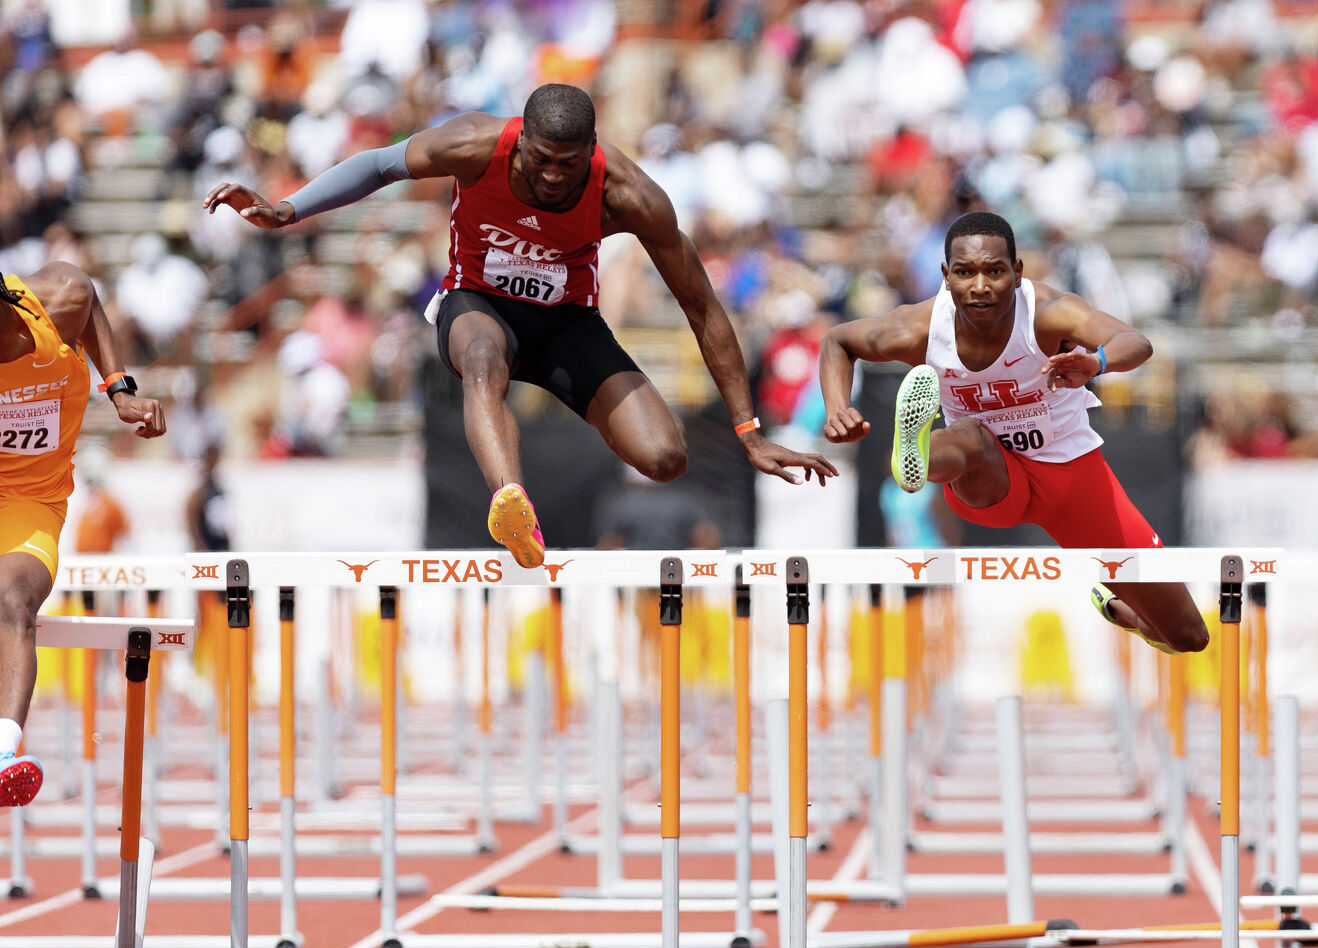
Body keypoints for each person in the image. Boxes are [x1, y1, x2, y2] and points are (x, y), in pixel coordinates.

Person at [201, 83, 833, 569]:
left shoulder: (631, 195)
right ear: (521, 140)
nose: (554, 176)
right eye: (541, 160)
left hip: (565, 325)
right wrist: (290, 208)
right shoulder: (475, 145)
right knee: (482, 360)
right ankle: (512, 504)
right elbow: (381, 164)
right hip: (479, 307)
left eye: (570, 164)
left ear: (593, 153)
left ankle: (525, 493)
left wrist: (748, 431)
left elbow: (704, 310)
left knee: (665, 456)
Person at [816, 211, 1208, 655]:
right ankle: (919, 456)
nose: (979, 286)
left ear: (1017, 272)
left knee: (1187, 637)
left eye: (995, 272)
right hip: (990, 478)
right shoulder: (919, 328)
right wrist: (837, 408)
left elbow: (1136, 342)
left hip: (1074, 480)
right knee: (970, 435)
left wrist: (1097, 362)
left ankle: (1116, 605)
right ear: (946, 276)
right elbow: (839, 341)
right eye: (964, 273)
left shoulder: (1051, 313)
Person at [0, 262, 167, 806]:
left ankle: (3, 753)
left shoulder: (57, 303)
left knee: (12, 597)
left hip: (30, 500)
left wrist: (120, 390)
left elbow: (90, 296)